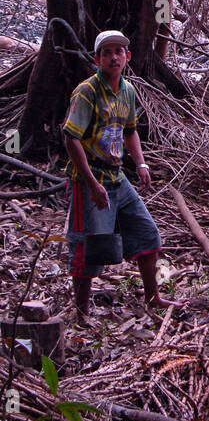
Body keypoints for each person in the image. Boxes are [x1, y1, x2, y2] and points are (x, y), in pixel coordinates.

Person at [63, 30, 170, 319]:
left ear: (127, 57)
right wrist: (91, 183)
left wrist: (141, 163)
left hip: (117, 177)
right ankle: (81, 312)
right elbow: (71, 138)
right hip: (90, 179)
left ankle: (152, 298)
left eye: (118, 52)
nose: (113, 57)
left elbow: (130, 130)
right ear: (97, 59)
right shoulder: (87, 92)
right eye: (107, 52)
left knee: (148, 234)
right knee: (88, 246)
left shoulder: (127, 91)